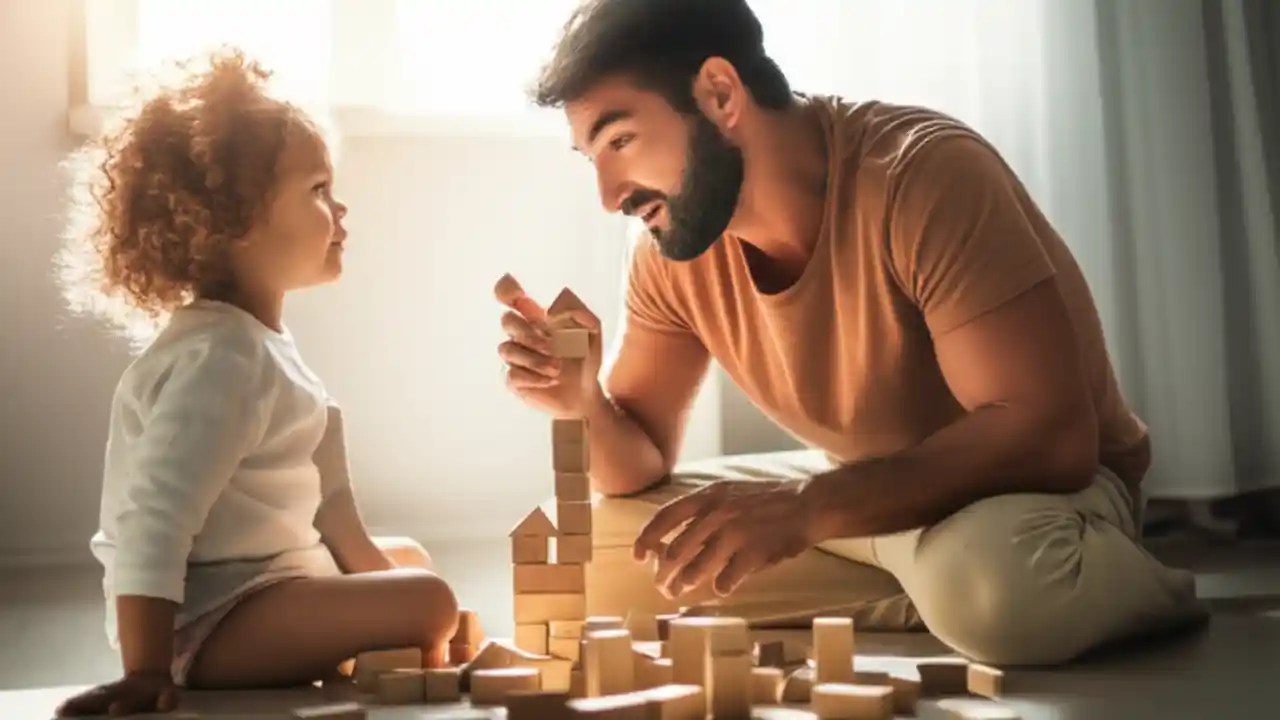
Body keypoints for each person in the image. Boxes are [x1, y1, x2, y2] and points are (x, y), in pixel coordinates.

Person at [495, 0, 1207, 665]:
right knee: (583, 559)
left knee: (999, 585)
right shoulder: (671, 244)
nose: (609, 194)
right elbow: (640, 461)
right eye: (594, 159)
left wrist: (808, 512)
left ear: (719, 93)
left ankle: (1082, 584)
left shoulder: (921, 174)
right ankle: (937, 592)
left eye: (621, 140)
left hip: (1038, 496)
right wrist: (583, 401)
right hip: (868, 503)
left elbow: (1053, 438)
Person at [55, 50, 458, 717]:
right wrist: (146, 669)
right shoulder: (220, 361)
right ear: (234, 224)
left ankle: (391, 634)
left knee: (411, 561)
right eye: (319, 190)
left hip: (269, 577)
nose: (341, 209)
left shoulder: (254, 344)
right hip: (211, 624)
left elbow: (325, 514)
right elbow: (153, 525)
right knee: (430, 601)